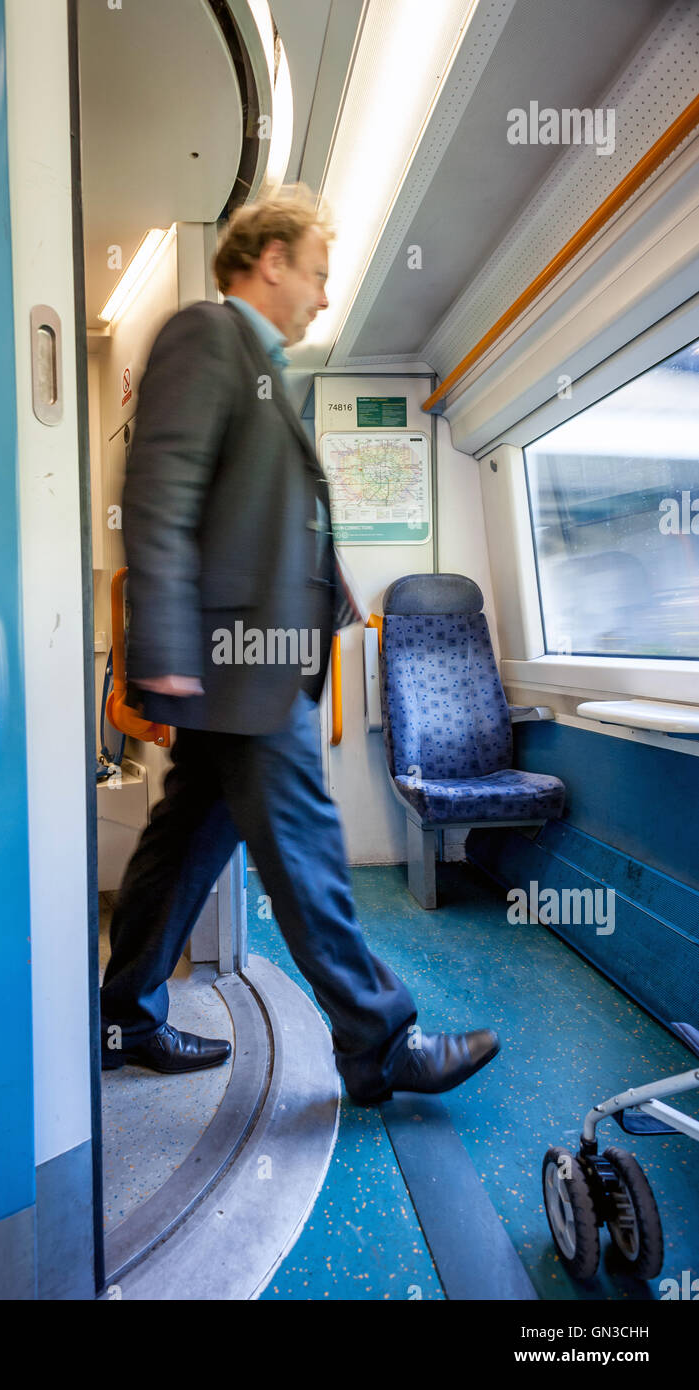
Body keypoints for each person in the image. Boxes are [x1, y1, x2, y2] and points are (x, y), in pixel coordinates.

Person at [99, 185, 499, 1105]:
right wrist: (158, 637)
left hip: (252, 657)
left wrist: (337, 601)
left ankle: (123, 1016)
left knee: (184, 844)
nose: (323, 296)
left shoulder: (263, 370)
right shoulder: (208, 335)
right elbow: (163, 489)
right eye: (316, 274)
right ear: (268, 259)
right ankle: (379, 1044)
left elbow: (277, 518)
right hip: (237, 659)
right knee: (308, 844)